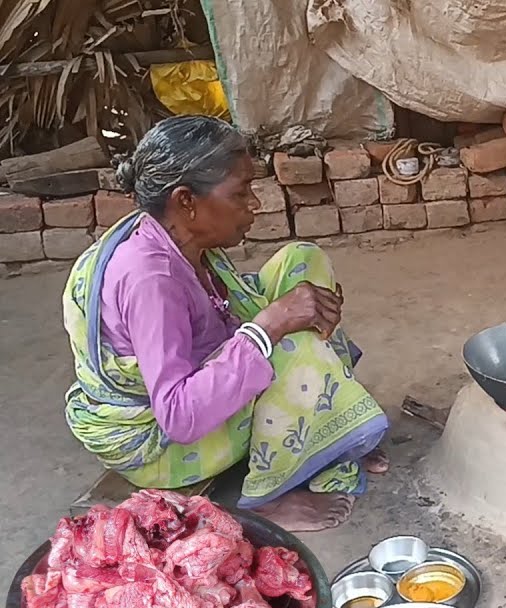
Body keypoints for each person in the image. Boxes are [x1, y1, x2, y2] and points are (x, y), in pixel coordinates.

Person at [61, 115, 389, 532]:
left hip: (197, 380)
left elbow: (218, 304)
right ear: (186, 201)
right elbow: (178, 417)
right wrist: (270, 325)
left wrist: (289, 315)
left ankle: (325, 429)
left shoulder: (172, 233)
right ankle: (265, 498)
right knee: (294, 349)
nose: (254, 203)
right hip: (160, 447)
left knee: (302, 261)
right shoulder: (151, 280)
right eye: (240, 192)